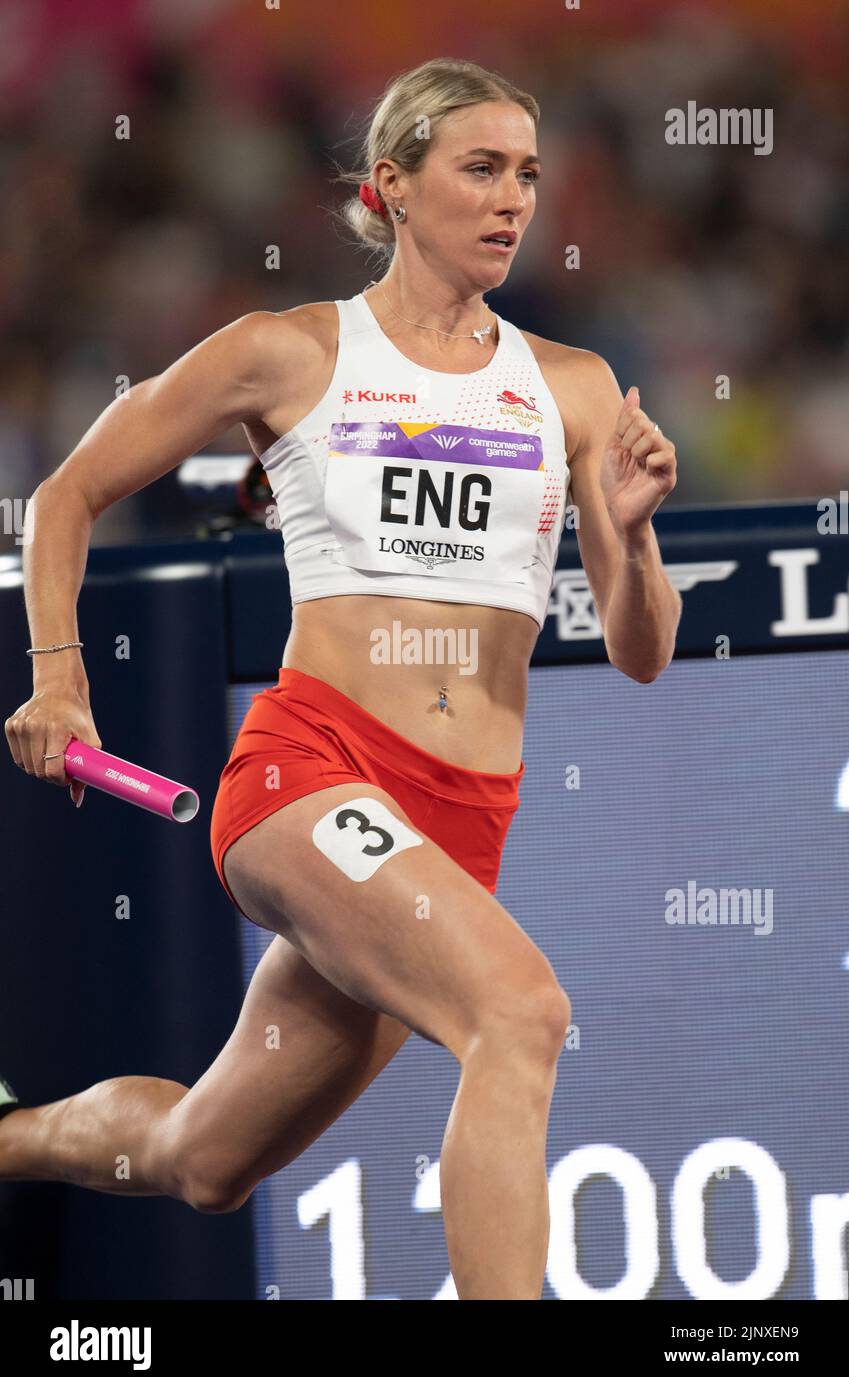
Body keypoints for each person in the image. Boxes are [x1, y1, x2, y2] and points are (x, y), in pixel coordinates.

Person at [1, 56, 680, 1299]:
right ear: (391, 186)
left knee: (203, 1159)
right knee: (521, 1014)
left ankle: (9, 1136)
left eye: (528, 173)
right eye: (479, 168)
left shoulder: (573, 387)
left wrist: (629, 534)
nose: (512, 199)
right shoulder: (287, 353)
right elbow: (64, 496)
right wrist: (60, 679)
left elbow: (642, 654)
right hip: (312, 777)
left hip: (459, 826)